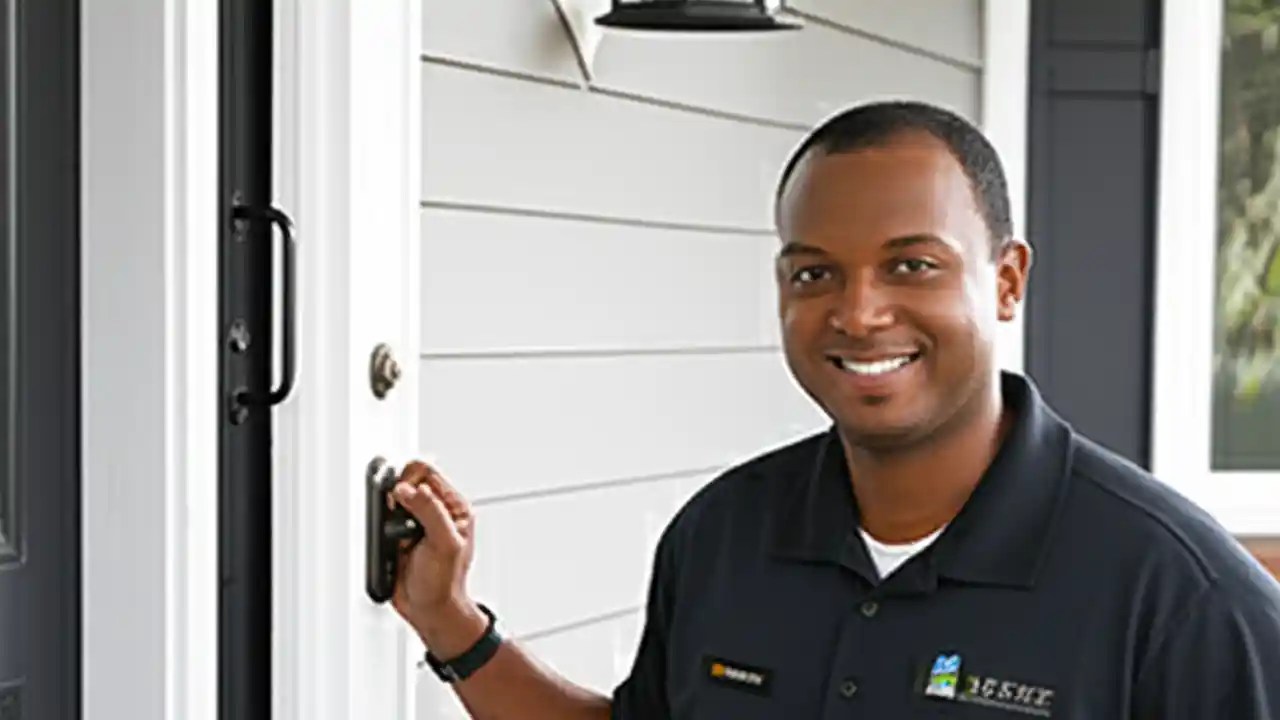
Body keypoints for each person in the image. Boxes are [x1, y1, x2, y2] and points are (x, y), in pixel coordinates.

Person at [387, 101, 1280, 719]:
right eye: (815, 273)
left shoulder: (1180, 595)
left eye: (911, 266)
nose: (858, 312)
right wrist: (449, 621)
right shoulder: (722, 537)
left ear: (1006, 281)